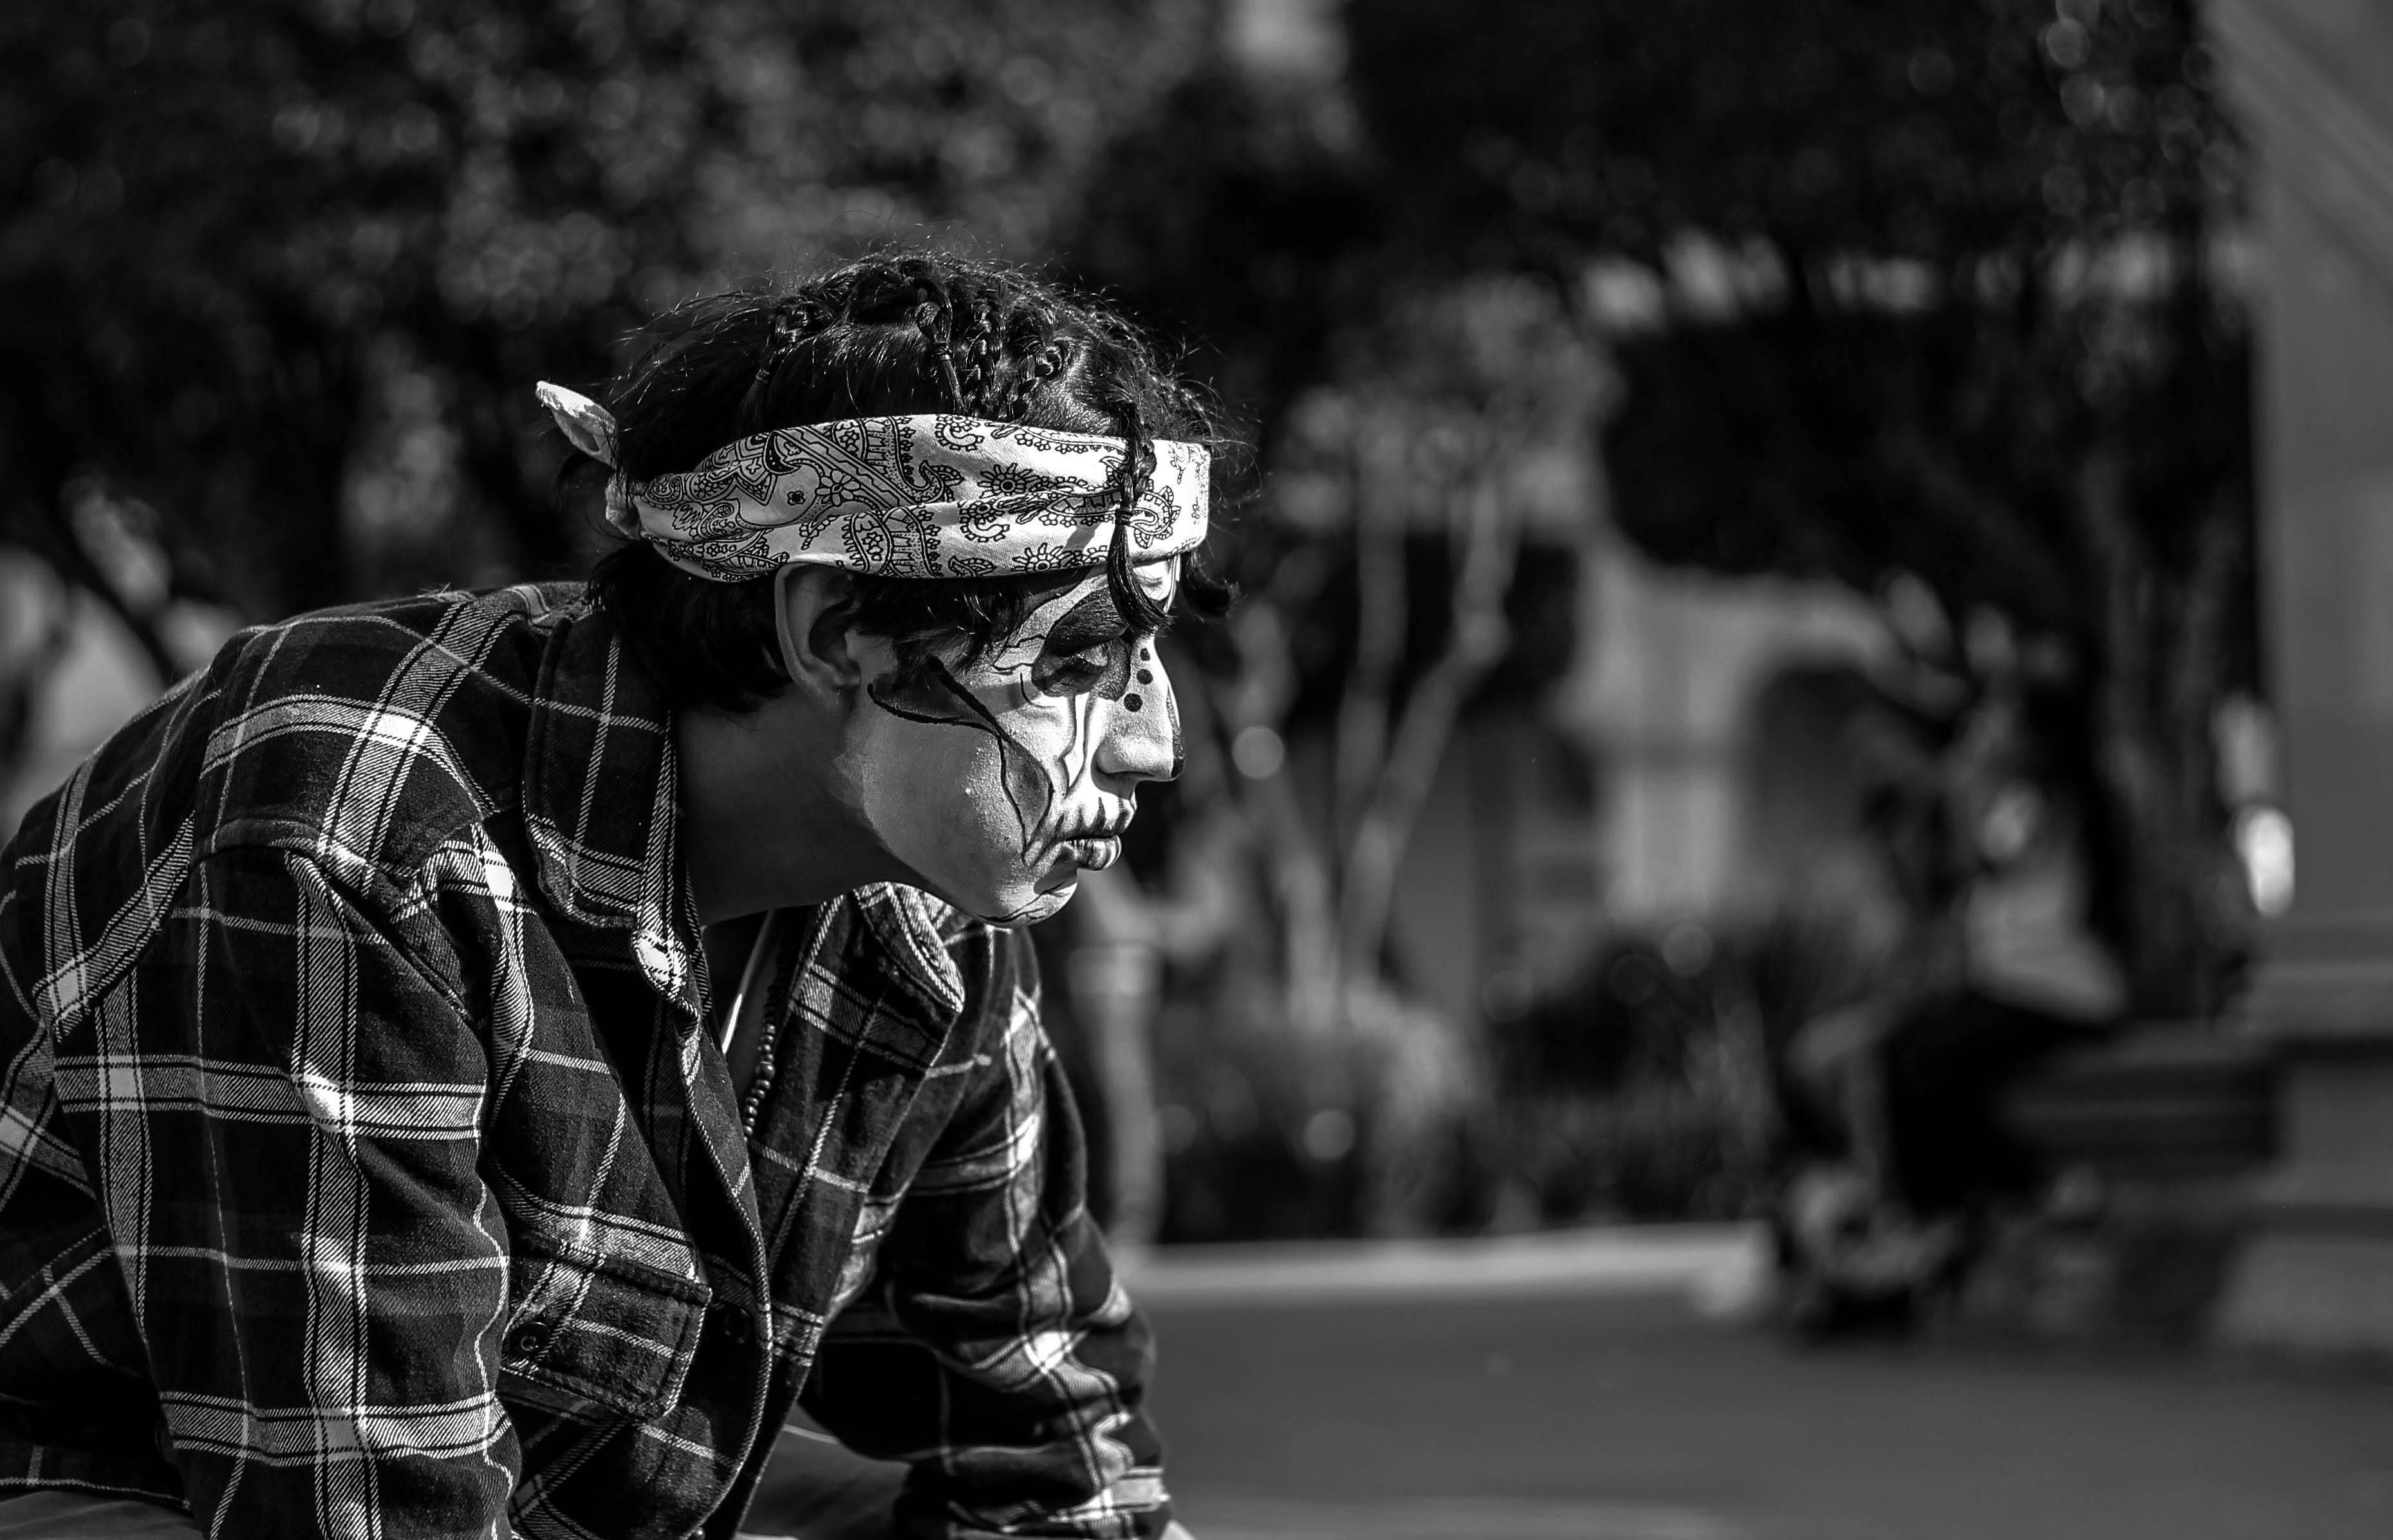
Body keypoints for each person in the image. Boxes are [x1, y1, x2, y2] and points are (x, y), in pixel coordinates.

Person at [0, 253, 1219, 1539]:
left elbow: (1055, 1454)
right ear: (831, 630)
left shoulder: (924, 910)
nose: (1155, 744)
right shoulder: (360, 822)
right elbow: (372, 1508)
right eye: (1076, 660)